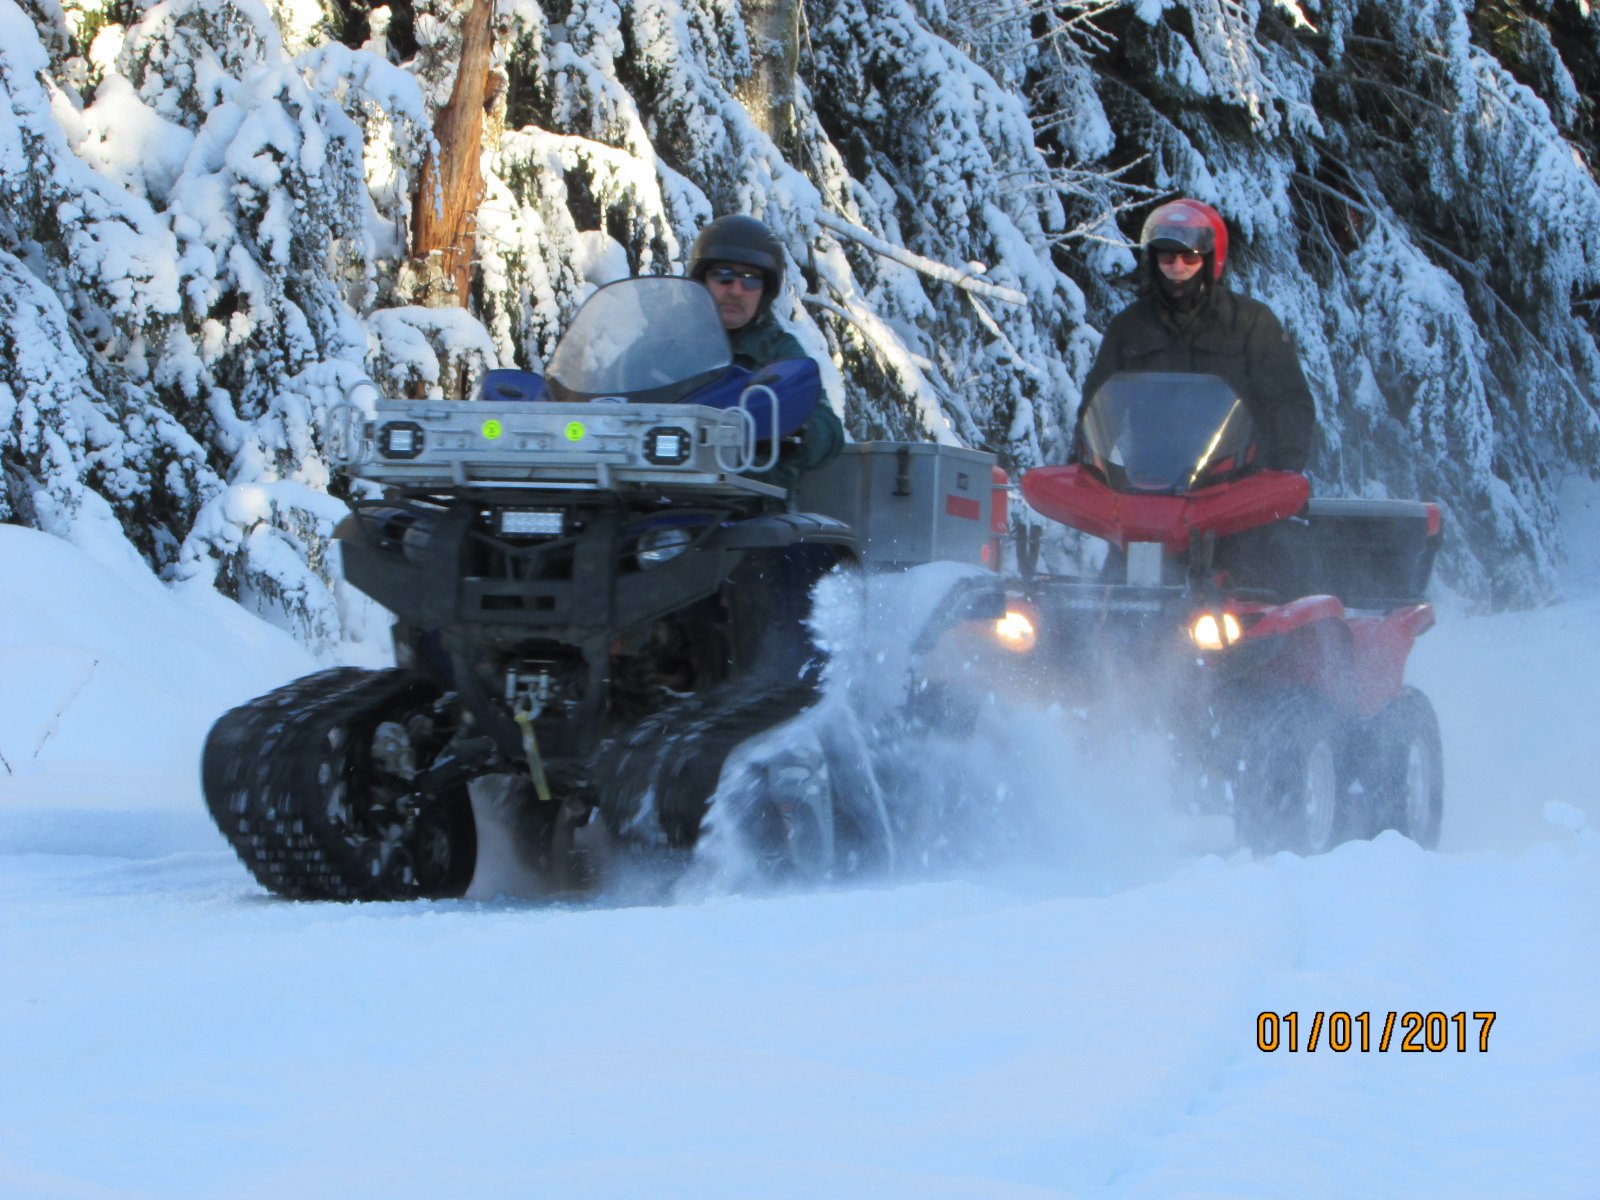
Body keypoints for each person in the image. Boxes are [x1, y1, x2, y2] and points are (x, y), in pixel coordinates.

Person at [1079, 199, 1316, 473]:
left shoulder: (1250, 323)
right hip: (1148, 482)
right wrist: (1088, 467)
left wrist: (1283, 471)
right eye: (1167, 258)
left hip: (1236, 481)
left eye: (1189, 257)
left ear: (1210, 259)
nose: (1177, 267)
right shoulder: (1130, 327)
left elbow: (1288, 402)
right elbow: (1099, 409)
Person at [687, 214, 844, 492]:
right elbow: (618, 386)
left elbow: (828, 430)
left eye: (750, 280)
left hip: (750, 501)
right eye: (724, 275)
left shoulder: (777, 350)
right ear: (703, 280)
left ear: (765, 290)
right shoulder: (670, 345)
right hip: (660, 491)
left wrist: (796, 431)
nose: (736, 290)